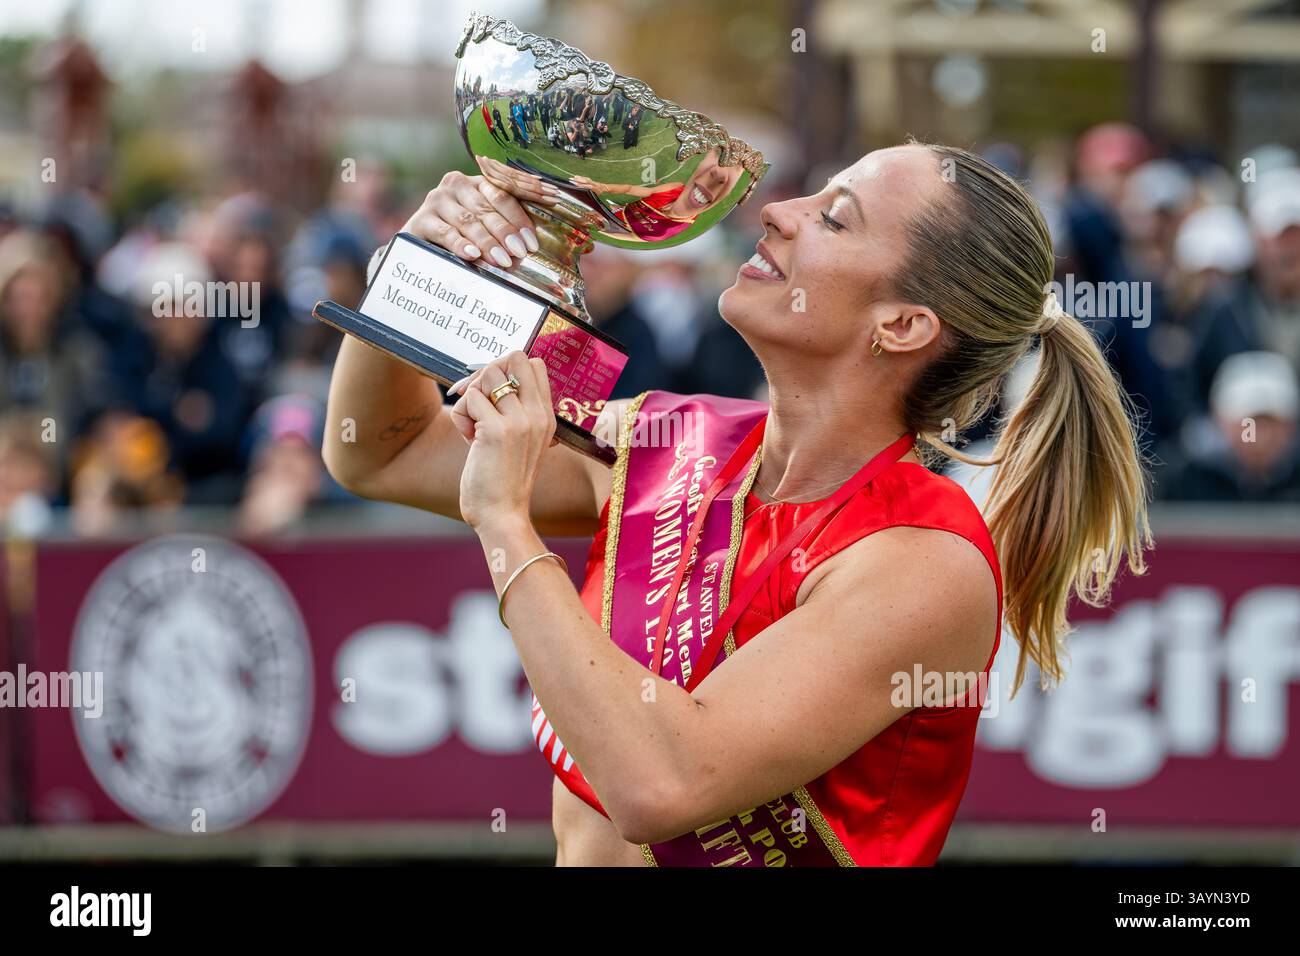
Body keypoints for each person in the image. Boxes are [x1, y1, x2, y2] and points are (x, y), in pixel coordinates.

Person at [322, 144, 1151, 866]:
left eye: (835, 218)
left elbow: (660, 786)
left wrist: (504, 523)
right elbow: (380, 450)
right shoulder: (669, 437)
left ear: (901, 325)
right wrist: (422, 265)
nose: (779, 213)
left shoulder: (922, 558)